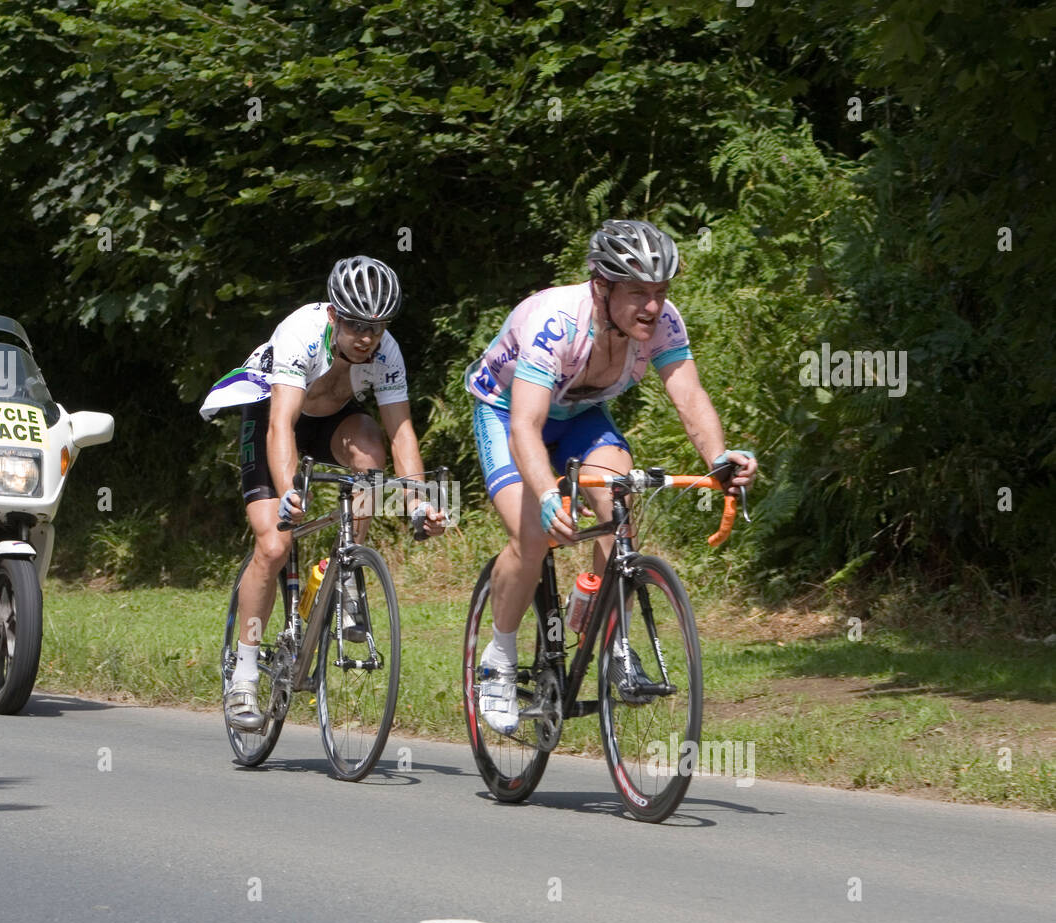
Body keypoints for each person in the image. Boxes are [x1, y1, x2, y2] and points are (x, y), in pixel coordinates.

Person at [465, 219, 758, 732]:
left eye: (661, 292)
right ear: (601, 287)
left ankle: (610, 637)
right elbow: (525, 426)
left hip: (579, 416)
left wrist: (719, 458)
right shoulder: (556, 322)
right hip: (508, 412)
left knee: (618, 501)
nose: (653, 306)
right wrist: (549, 495)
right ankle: (499, 659)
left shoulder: (663, 323)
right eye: (638, 293)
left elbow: (688, 395)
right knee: (533, 533)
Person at [216, 256, 446, 730]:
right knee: (275, 543)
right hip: (273, 417)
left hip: (331, 422)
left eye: (377, 327)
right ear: (336, 316)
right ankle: (243, 673)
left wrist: (419, 501)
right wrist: (286, 493)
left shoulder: (387, 353)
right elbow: (281, 425)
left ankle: (346, 568)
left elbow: (401, 433)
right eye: (358, 325)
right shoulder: (301, 331)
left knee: (369, 451)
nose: (367, 337)